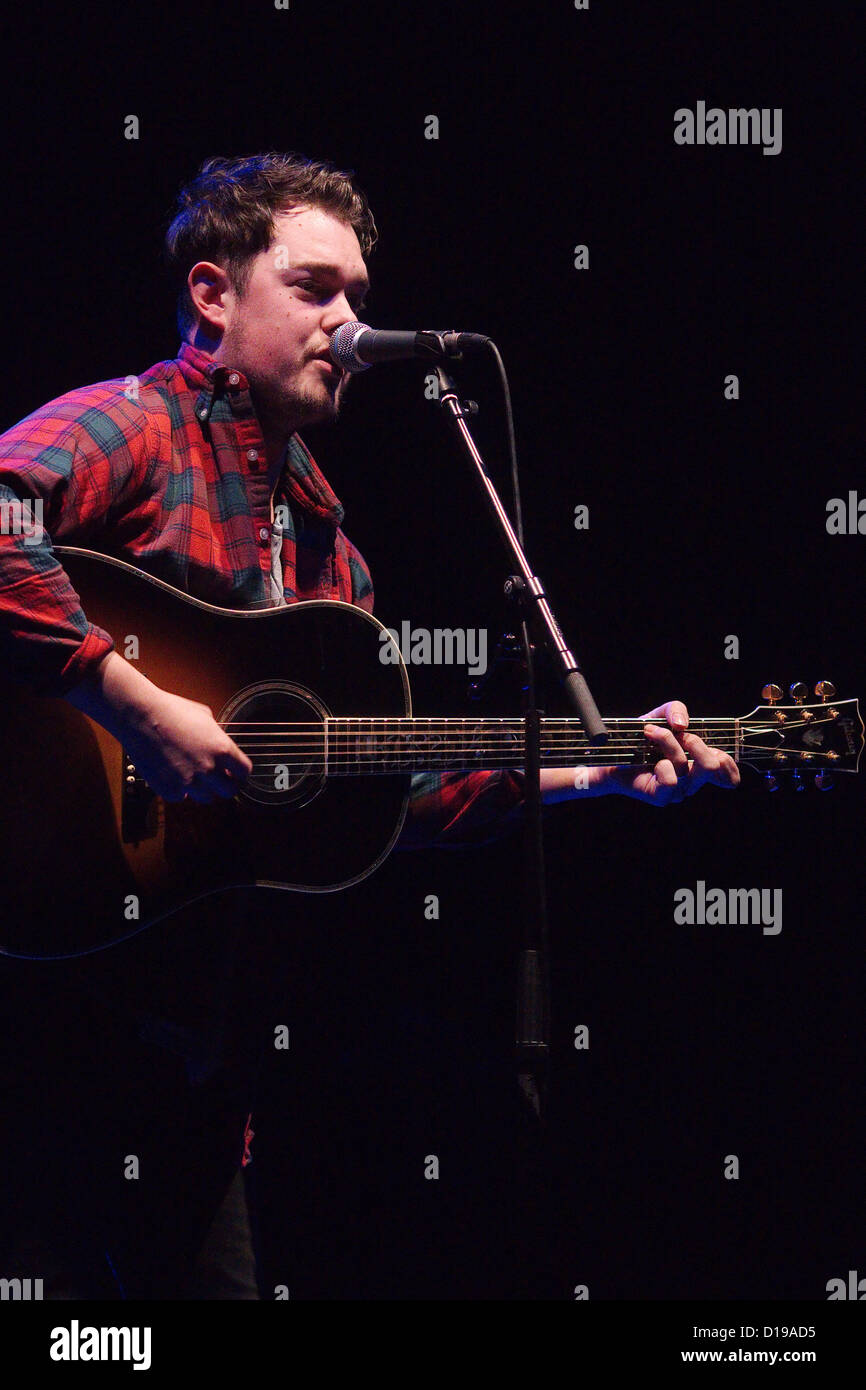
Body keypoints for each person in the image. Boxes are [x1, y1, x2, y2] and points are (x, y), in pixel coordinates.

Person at [0, 152, 739, 1299]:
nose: (348, 322)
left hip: (195, 1061)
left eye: (356, 296)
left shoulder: (329, 556)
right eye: (313, 288)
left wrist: (597, 771)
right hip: (41, 1011)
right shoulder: (131, 429)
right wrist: (129, 700)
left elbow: (387, 796)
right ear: (211, 294)